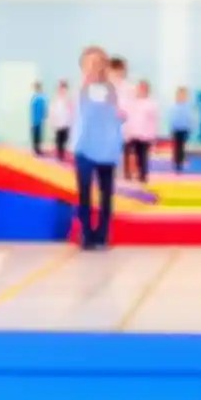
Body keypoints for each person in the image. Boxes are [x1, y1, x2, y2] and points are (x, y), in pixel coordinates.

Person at [72, 46, 123, 251]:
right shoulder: (82, 88)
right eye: (90, 63)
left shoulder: (112, 89)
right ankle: (86, 233)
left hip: (106, 149)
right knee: (84, 193)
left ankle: (102, 234)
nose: (95, 67)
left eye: (99, 63)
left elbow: (116, 113)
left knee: (105, 194)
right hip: (84, 148)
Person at [108, 57, 137, 180]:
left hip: (125, 124)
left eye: (122, 70)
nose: (120, 74)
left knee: (126, 151)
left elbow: (134, 106)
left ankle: (125, 175)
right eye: (116, 71)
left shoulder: (129, 87)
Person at [125, 80, 158, 183]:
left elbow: (153, 121)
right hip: (132, 134)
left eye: (144, 89)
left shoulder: (151, 104)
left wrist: (153, 136)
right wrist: (126, 132)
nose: (141, 91)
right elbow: (127, 118)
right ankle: (128, 174)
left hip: (145, 135)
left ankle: (142, 175)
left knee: (142, 156)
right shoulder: (131, 102)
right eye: (140, 88)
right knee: (128, 154)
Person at [169, 87, 194, 173]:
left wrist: (190, 127)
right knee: (177, 146)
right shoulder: (174, 106)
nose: (181, 97)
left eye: (183, 95)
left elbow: (190, 118)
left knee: (182, 146)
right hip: (176, 129)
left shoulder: (187, 107)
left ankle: (181, 161)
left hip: (184, 129)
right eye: (180, 95)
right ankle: (177, 162)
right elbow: (172, 118)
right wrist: (171, 128)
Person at [49, 79, 73, 160]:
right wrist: (52, 121)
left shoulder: (68, 98)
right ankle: (60, 154)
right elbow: (52, 110)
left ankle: (61, 152)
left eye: (63, 88)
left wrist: (71, 121)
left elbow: (71, 110)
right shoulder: (56, 99)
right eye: (60, 88)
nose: (62, 90)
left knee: (64, 138)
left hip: (66, 122)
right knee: (59, 139)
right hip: (58, 123)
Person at [29, 82, 48, 155]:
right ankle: (35, 149)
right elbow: (33, 110)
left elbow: (43, 108)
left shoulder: (40, 97)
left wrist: (44, 116)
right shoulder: (34, 97)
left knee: (38, 135)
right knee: (35, 136)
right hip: (35, 120)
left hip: (39, 120)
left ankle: (38, 149)